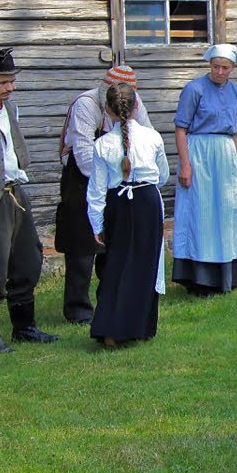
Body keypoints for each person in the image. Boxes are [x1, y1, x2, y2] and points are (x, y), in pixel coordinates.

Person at [0, 47, 59, 354]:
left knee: (28, 258)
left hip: (15, 192)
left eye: (12, 81)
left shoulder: (10, 110)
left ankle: (25, 327)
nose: (10, 87)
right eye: (3, 82)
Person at [55, 64, 152, 324]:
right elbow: (85, 156)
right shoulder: (86, 105)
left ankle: (109, 302)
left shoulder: (134, 101)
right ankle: (78, 310)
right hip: (83, 180)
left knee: (114, 246)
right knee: (82, 248)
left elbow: (146, 136)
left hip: (116, 179)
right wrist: (111, 178)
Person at [172, 44, 237, 296]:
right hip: (199, 153)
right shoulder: (194, 89)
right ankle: (200, 277)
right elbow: (180, 128)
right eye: (215, 66)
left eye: (225, 67)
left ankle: (229, 274)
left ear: (233, 68)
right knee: (201, 212)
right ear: (209, 65)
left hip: (226, 155)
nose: (219, 71)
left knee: (226, 213)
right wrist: (185, 164)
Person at [87, 81, 169, 347]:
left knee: (116, 265)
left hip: (118, 204)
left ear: (107, 111)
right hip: (146, 201)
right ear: (136, 106)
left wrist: (96, 224)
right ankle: (138, 327)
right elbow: (164, 175)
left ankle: (112, 327)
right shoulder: (153, 137)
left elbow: (97, 191)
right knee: (145, 265)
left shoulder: (102, 144)